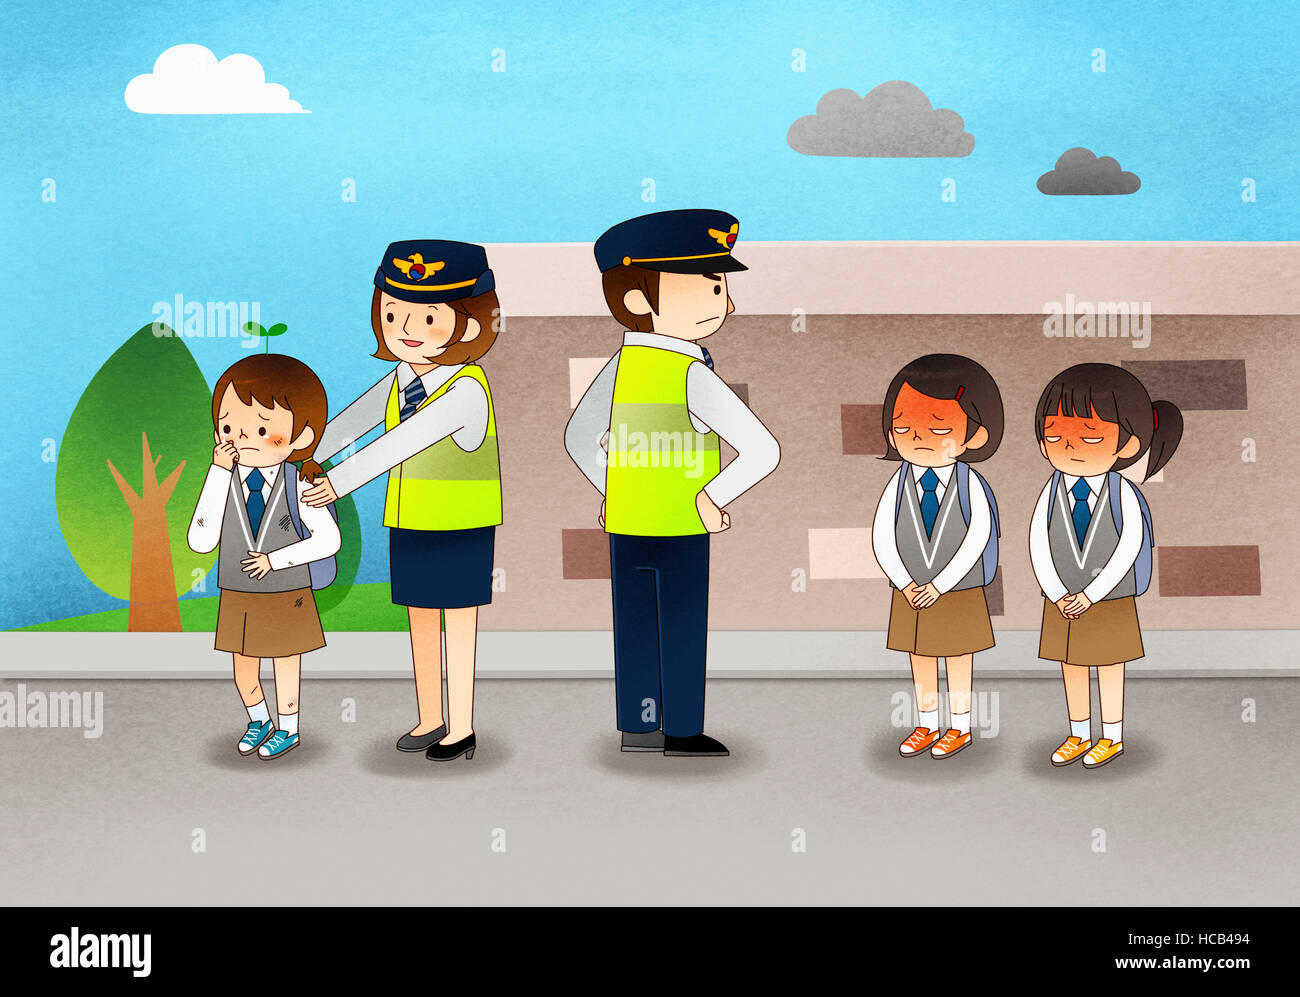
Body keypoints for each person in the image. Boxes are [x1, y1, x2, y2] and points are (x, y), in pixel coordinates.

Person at [565, 209, 780, 757]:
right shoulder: (691, 373)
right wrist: (710, 497)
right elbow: (762, 449)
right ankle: (681, 730)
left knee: (635, 626)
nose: (729, 304)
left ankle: (638, 728)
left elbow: (577, 437)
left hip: (629, 524)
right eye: (711, 287)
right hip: (682, 527)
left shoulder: (619, 367)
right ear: (640, 300)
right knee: (681, 627)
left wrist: (611, 489)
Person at [305, 240, 502, 763]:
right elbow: (350, 424)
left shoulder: (466, 389)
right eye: (394, 314)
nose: (406, 329)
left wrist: (339, 482)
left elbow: (402, 442)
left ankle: (462, 726)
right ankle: (430, 717)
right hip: (410, 520)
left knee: (457, 621)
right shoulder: (401, 378)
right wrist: (305, 453)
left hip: (461, 525)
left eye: (428, 317)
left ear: (471, 324)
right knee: (419, 618)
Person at [1028, 363, 1183, 769]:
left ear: (1127, 445)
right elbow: (1038, 543)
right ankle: (1078, 733)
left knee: (1110, 667)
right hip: (1061, 599)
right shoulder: (1050, 491)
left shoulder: (1125, 494)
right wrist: (1057, 591)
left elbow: (1129, 547)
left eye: (1090, 437)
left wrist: (1092, 594)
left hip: (1110, 599)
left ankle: (1111, 736)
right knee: (1072, 667)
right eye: (1055, 436)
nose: (1070, 447)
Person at [187, 353, 339, 761]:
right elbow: (201, 540)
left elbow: (328, 540)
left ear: (301, 437)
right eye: (230, 427)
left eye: (260, 428)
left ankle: (288, 727)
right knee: (243, 665)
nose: (243, 439)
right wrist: (217, 473)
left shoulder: (301, 482)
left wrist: (277, 561)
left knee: (286, 660)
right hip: (237, 588)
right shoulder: (224, 479)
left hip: (287, 588)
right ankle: (259, 719)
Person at [871, 355, 1004, 759]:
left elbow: (978, 537)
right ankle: (927, 723)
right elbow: (882, 536)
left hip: (958, 590)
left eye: (939, 428)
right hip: (910, 589)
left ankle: (960, 726)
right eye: (904, 428)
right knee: (920, 656)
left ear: (975, 436)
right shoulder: (897, 483)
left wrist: (940, 584)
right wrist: (906, 582)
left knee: (959, 656)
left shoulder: (972, 484)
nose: (919, 438)